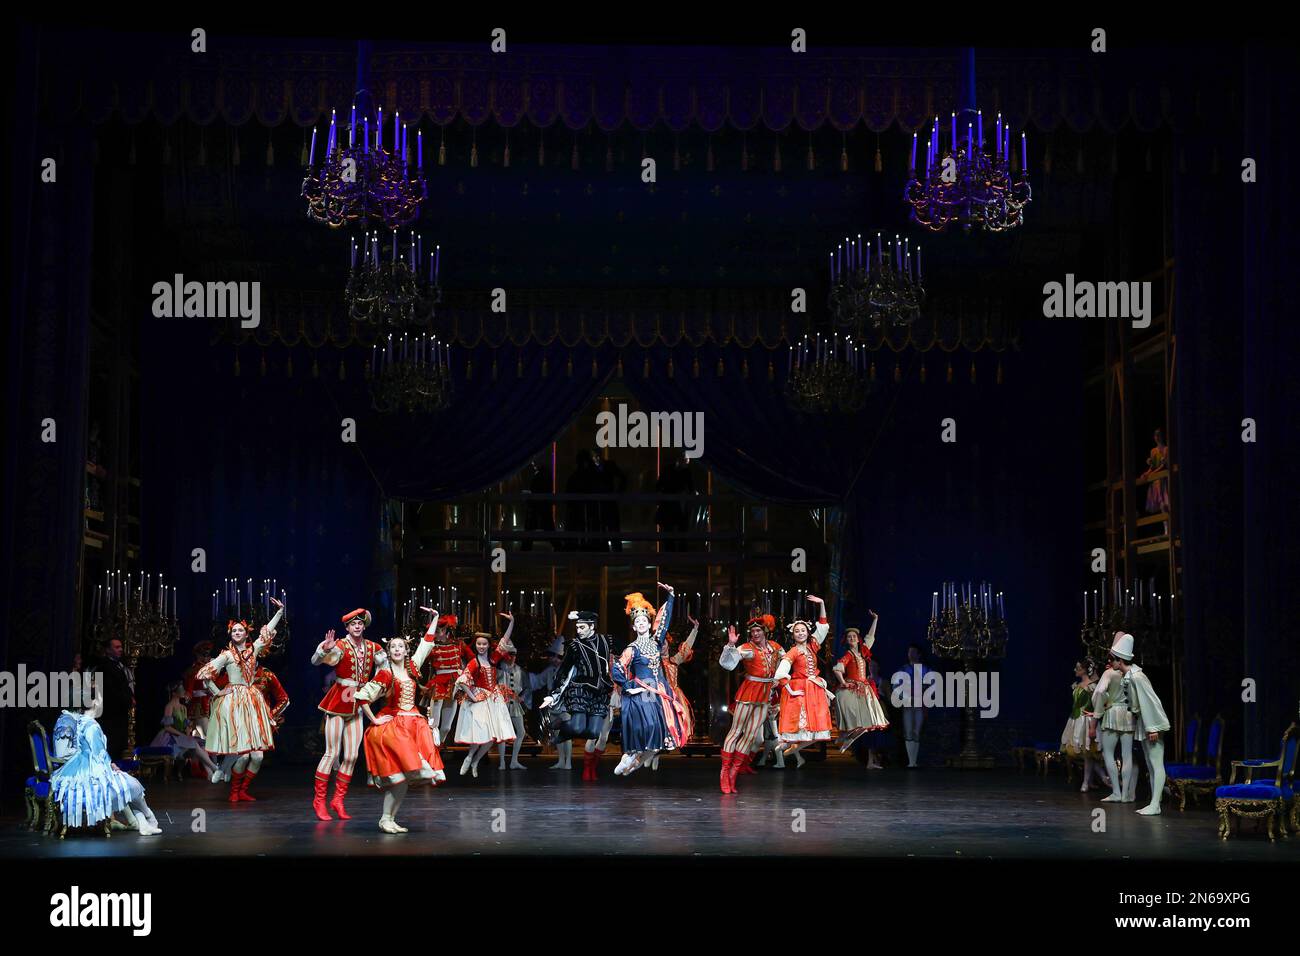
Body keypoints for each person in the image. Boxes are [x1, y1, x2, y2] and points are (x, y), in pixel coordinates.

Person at [355, 609, 445, 832]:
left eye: (400, 646)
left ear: (406, 651)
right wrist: (374, 719)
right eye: (393, 647)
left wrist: (435, 619)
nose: (397, 649)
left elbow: (426, 644)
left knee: (403, 780)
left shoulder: (412, 667)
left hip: (414, 724)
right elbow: (362, 696)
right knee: (403, 773)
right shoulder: (386, 674)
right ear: (388, 651)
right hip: (395, 728)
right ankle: (386, 818)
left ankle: (388, 819)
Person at [195, 602, 283, 802]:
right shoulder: (226, 655)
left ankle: (239, 786)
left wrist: (279, 612)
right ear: (230, 634)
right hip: (234, 700)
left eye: (240, 630)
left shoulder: (254, 650)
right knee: (241, 751)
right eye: (233, 630)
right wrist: (218, 693)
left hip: (252, 700)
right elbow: (205, 675)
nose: (236, 632)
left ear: (246, 633)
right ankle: (230, 783)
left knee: (256, 755)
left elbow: (266, 632)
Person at [310, 607, 386, 821]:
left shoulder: (373, 647)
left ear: (364, 626)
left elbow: (385, 670)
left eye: (360, 623)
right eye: (353, 624)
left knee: (352, 755)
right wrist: (325, 650)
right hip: (340, 700)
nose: (357, 626)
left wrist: (377, 687)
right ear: (347, 627)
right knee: (332, 752)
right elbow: (316, 661)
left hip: (359, 701)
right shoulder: (340, 645)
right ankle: (319, 801)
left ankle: (338, 800)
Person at [610, 583, 687, 776]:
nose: (642, 623)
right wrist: (629, 687)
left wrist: (671, 596)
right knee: (648, 729)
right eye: (639, 621)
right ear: (634, 626)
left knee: (657, 742)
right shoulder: (632, 648)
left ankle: (634, 764)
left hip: (658, 692)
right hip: (643, 692)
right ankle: (629, 757)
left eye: (645, 620)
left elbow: (664, 622)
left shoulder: (656, 641)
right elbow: (617, 669)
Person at [51, 707, 161, 836]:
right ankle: (148, 817)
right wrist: (108, 766)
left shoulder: (78, 721)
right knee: (131, 785)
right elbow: (96, 753)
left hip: (87, 769)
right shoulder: (88, 724)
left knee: (124, 785)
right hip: (86, 773)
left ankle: (142, 822)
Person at [540, 610, 615, 777]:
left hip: (601, 692)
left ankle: (562, 733)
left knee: (595, 733)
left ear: (591, 626)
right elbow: (563, 671)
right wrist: (553, 695)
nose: (579, 630)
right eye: (577, 627)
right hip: (581, 689)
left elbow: (620, 660)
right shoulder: (574, 646)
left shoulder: (606, 641)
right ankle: (559, 728)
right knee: (577, 727)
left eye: (582, 627)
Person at [718, 613, 784, 792]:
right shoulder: (746, 648)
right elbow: (729, 664)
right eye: (753, 631)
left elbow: (786, 663)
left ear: (765, 632)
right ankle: (724, 772)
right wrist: (731, 645)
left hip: (765, 694)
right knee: (736, 730)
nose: (755, 634)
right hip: (749, 691)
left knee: (750, 734)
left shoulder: (776, 648)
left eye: (758, 630)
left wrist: (780, 679)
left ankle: (734, 772)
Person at [1109, 632, 1171, 815]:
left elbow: (1151, 702)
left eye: (1112, 660)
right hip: (1145, 723)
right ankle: (1155, 801)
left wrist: (1152, 727)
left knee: (1156, 763)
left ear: (1119, 661)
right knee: (1151, 764)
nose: (1110, 663)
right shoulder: (1130, 676)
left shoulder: (1137, 677)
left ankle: (1156, 804)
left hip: (1152, 724)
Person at [773, 595, 832, 767]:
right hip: (801, 688)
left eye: (803, 630)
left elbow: (822, 626)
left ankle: (791, 750)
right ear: (793, 634)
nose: (800, 633)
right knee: (803, 727)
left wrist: (821, 603)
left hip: (814, 689)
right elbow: (781, 672)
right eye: (797, 631)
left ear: (807, 632)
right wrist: (790, 689)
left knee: (817, 731)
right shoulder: (792, 651)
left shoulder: (813, 645)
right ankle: (788, 746)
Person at [453, 629, 518, 777]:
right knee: (480, 732)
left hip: (494, 700)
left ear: (489, 645)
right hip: (480, 699)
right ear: (475, 645)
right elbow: (462, 682)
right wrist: (473, 696)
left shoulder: (493, 659)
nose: (481, 646)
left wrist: (511, 623)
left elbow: (504, 641)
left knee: (492, 737)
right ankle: (469, 757)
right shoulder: (474, 662)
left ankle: (475, 761)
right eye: (479, 644)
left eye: (484, 644)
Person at [831, 611, 890, 753]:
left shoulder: (863, 651)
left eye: (854, 636)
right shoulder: (848, 654)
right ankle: (845, 736)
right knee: (856, 721)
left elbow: (871, 637)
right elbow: (837, 669)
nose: (851, 638)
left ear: (858, 639)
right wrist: (843, 682)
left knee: (866, 724)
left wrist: (875, 619)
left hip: (865, 689)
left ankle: (847, 739)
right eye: (849, 637)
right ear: (847, 640)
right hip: (853, 688)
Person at [648, 611, 700, 769]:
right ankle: (652, 751)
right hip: (656, 699)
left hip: (672, 698)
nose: (662, 646)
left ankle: (657, 753)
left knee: (671, 730)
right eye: (659, 643)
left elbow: (686, 647)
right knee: (655, 727)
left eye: (664, 643)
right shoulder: (650, 663)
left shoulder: (673, 660)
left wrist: (695, 629)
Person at [149, 680, 219, 778]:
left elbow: (186, 725)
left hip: (181, 737)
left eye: (183, 690)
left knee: (200, 744)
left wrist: (187, 733)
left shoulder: (183, 708)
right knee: (194, 744)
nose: (183, 692)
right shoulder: (169, 706)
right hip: (170, 737)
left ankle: (211, 774)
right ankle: (215, 768)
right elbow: (167, 727)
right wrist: (182, 735)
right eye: (181, 690)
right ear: (174, 693)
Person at [1093, 648, 1134, 805]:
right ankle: (1125, 794)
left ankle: (1116, 792)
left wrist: (1102, 705)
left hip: (1112, 712)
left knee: (1108, 753)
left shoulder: (1109, 673)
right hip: (1128, 712)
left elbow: (1100, 691)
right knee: (1127, 755)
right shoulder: (1131, 672)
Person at [1062, 660, 1106, 792]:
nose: (1075, 670)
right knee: (1082, 752)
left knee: (1088, 753)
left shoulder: (1092, 686)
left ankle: (1087, 782)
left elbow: (1100, 704)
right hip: (1076, 720)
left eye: (1078, 668)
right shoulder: (1076, 685)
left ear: (1085, 670)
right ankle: (1094, 779)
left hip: (1087, 721)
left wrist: (1094, 714)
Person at [425, 613, 468, 747]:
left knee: (446, 728)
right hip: (438, 684)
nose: (437, 633)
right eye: (435, 631)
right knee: (434, 724)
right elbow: (420, 661)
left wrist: (465, 674)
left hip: (454, 685)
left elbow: (473, 660)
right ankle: (432, 752)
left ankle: (438, 747)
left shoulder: (459, 644)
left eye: (439, 630)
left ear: (445, 630)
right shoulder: (431, 646)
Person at [89, 637, 134, 758]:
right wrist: (126, 699)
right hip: (111, 716)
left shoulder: (119, 666)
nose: (121, 650)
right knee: (111, 749)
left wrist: (130, 698)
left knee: (119, 748)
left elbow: (125, 686)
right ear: (108, 650)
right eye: (117, 647)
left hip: (119, 716)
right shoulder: (104, 667)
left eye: (121, 647)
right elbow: (111, 691)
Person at [893, 644, 933, 768]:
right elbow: (896, 687)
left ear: (919, 654)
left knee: (917, 731)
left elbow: (932, 685)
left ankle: (914, 761)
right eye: (909, 652)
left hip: (920, 704)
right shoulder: (903, 669)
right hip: (908, 704)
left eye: (913, 652)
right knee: (909, 731)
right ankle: (911, 761)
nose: (911, 654)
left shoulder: (925, 669)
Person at [182, 641, 215, 740]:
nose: (206, 658)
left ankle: (199, 754)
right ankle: (209, 755)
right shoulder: (195, 669)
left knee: (198, 734)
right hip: (199, 705)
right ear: (198, 655)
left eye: (207, 655)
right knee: (207, 734)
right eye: (203, 655)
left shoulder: (210, 668)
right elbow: (190, 687)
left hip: (209, 702)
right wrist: (188, 696)